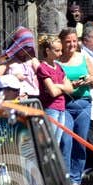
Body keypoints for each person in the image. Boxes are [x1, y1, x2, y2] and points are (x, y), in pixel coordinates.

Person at [59, 28, 93, 185]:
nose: (72, 44)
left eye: (74, 41)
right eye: (68, 41)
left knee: (80, 142)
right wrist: (70, 85)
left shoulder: (83, 57)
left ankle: (76, 179)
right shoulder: (57, 61)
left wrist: (88, 80)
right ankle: (65, 177)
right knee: (65, 141)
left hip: (84, 103)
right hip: (65, 104)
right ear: (62, 42)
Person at [36, 35, 74, 176]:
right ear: (47, 50)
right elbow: (52, 92)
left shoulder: (59, 67)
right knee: (50, 143)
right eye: (57, 51)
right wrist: (61, 86)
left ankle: (53, 173)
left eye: (60, 50)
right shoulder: (42, 68)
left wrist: (58, 86)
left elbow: (70, 89)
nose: (60, 53)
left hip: (61, 107)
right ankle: (46, 173)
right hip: (50, 108)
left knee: (57, 143)